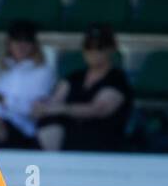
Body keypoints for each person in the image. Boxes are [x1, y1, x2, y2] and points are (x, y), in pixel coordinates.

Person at [33, 24, 132, 153]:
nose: (93, 52)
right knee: (48, 122)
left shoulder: (117, 80)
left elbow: (99, 109)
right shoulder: (74, 77)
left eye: (99, 47)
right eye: (88, 47)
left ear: (111, 49)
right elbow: (55, 101)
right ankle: (51, 163)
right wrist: (42, 106)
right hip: (67, 141)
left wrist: (64, 109)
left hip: (102, 143)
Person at [0, 19, 56, 151]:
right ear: (9, 43)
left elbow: (31, 110)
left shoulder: (43, 71)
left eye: (26, 41)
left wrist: (2, 100)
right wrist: (5, 104)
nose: (21, 45)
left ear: (34, 45)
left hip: (24, 130)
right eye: (17, 40)